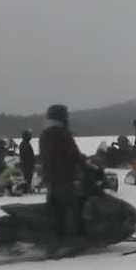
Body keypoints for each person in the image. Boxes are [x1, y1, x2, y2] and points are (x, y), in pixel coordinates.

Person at [40, 104, 85, 245]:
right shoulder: (62, 134)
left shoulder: (45, 134)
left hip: (50, 179)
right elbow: (73, 154)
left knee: (56, 209)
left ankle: (56, 236)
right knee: (74, 207)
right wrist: (83, 161)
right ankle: (73, 239)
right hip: (64, 177)